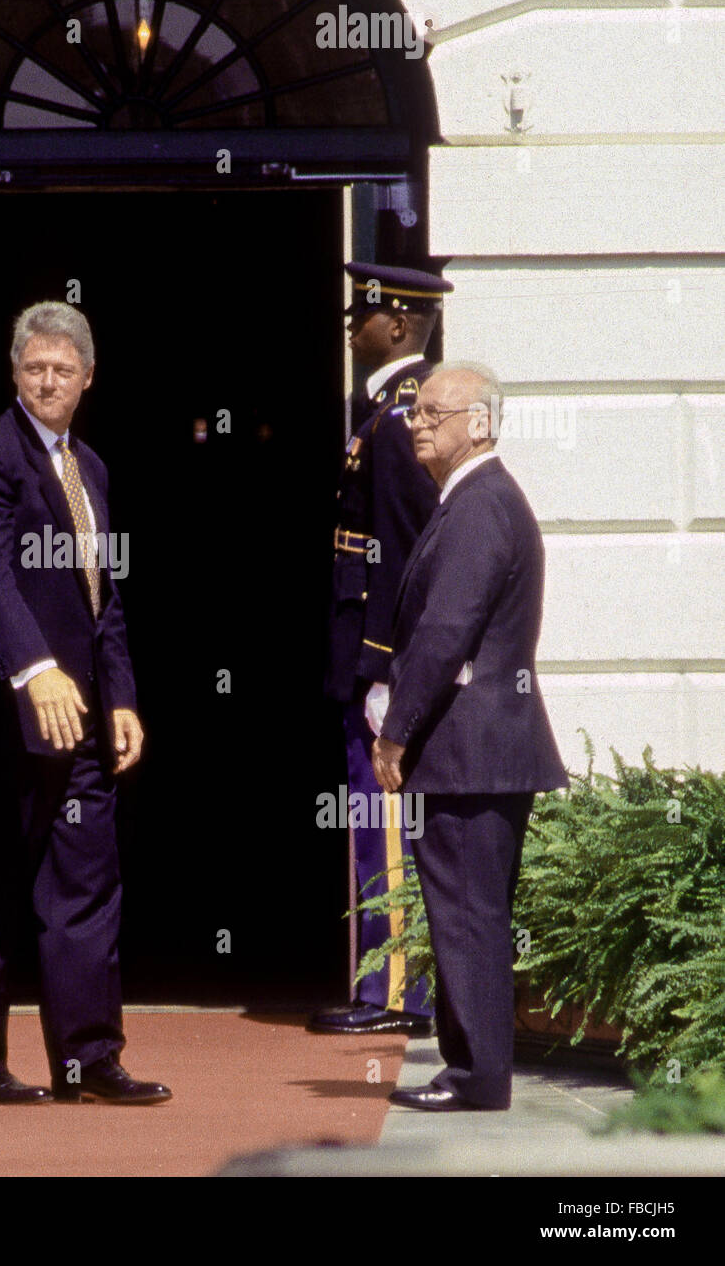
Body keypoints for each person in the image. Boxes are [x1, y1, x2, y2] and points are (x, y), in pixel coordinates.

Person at [0, 301, 169, 1106]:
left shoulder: (90, 469)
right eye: (34, 368)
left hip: (86, 722)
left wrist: (123, 698)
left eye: (62, 370)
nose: (47, 381)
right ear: (14, 373)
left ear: (88, 378)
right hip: (5, 718)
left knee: (88, 887)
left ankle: (88, 1060)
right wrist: (33, 669)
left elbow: (103, 599)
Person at [374, 362, 568, 1111]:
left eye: (432, 412)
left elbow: (445, 631)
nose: (417, 423)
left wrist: (395, 734)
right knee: (466, 909)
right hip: (477, 750)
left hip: (470, 752)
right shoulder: (471, 499)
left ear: (479, 424)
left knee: (468, 913)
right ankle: (471, 1067)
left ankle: (478, 1076)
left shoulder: (482, 504)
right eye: (414, 414)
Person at [311, 262, 451, 1037]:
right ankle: (393, 985)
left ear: (397, 326)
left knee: (385, 826)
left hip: (379, 663)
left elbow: (403, 552)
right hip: (365, 654)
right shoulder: (387, 411)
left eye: (362, 312)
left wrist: (387, 669)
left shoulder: (402, 416)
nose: (350, 323)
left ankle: (396, 992)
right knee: (374, 824)